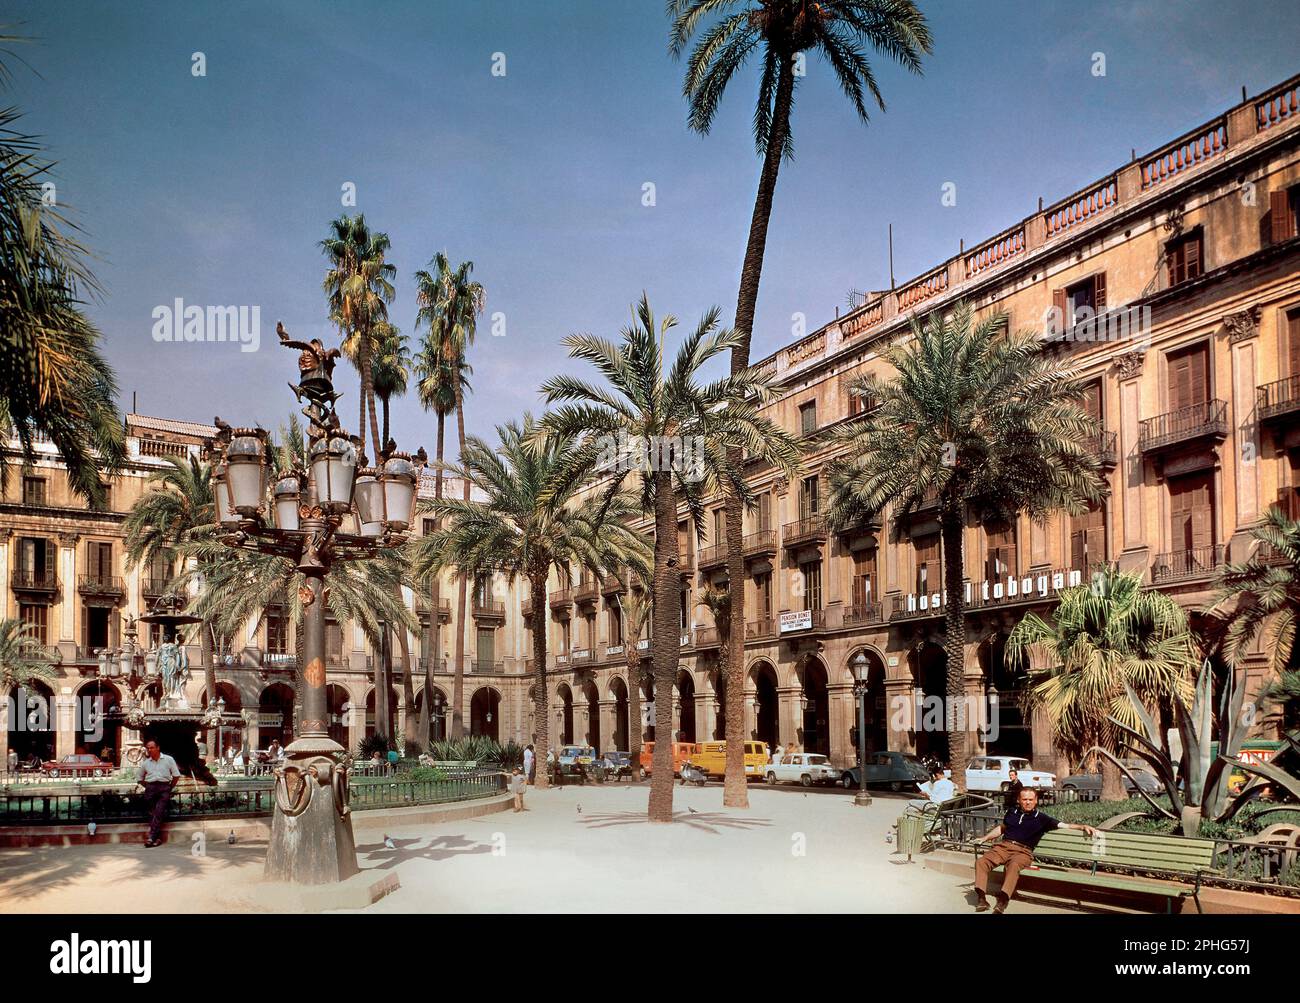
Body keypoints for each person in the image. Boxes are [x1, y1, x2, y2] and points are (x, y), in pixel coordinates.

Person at [973, 787, 1096, 913]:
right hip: (1003, 847)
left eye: (1031, 799)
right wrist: (985, 837)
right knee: (981, 862)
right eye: (1024, 799)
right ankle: (982, 899)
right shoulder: (1012, 812)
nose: (1027, 802)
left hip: (1023, 852)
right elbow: (1002, 828)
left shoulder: (1042, 818)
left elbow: (1065, 825)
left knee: (1013, 865)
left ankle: (1003, 900)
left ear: (1036, 800)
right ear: (1019, 800)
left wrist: (1082, 826)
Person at [135, 739, 181, 848]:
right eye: (148, 748)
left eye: (152, 747)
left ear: (158, 747)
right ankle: (157, 838)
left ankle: (151, 838)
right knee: (153, 813)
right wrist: (148, 786)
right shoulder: (146, 763)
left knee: (159, 812)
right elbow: (139, 778)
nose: (149, 750)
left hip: (164, 787)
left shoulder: (169, 760)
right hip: (150, 788)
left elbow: (176, 775)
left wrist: (170, 787)